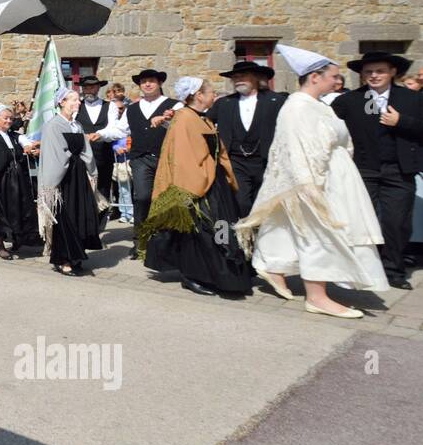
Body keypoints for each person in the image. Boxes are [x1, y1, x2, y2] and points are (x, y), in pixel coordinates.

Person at [237, 46, 388, 318]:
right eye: (333, 76)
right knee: (319, 233)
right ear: (315, 77)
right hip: (316, 181)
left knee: (302, 230)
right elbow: (298, 151)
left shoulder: (317, 105)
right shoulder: (297, 107)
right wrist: (312, 186)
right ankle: (317, 296)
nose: (337, 81)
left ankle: (274, 266)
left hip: (334, 177)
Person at [139, 77, 252, 297]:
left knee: (220, 228)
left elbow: (216, 151)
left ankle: (225, 273)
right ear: (198, 95)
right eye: (211, 92)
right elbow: (183, 159)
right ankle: (194, 275)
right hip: (196, 184)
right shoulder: (184, 120)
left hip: (213, 183)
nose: (214, 95)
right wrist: (196, 188)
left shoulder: (202, 118)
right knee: (201, 232)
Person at [331, 51, 423, 290]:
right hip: (363, 169)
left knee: (396, 222)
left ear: (393, 72)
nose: (373, 76)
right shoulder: (348, 101)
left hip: (399, 170)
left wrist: (401, 121)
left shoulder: (412, 99)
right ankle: (362, 267)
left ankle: (393, 269)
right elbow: (328, 128)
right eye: (369, 72)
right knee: (361, 220)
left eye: (380, 71)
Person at [98, 69, 179, 259]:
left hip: (166, 159)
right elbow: (119, 130)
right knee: (142, 197)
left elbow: (184, 128)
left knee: (166, 200)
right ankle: (140, 241)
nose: (147, 84)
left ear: (159, 83)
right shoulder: (132, 109)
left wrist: (170, 119)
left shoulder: (175, 106)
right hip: (140, 159)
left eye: (151, 81)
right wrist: (100, 135)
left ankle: (165, 243)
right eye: (144, 82)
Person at [207, 60, 287, 216]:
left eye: (243, 76)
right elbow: (203, 123)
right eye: (235, 77)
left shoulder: (276, 101)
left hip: (266, 161)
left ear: (256, 78)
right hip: (236, 161)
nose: (238, 80)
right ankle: (244, 235)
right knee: (241, 201)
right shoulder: (225, 103)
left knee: (264, 203)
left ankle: (260, 237)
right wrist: (174, 118)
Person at [37, 88, 103, 275]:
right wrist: (52, 183)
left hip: (78, 176)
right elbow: (55, 155)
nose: (78, 102)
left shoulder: (77, 125)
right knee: (64, 217)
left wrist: (91, 171)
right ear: (62, 102)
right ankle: (62, 259)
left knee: (78, 215)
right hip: (63, 179)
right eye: (73, 99)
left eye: (78, 99)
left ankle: (75, 255)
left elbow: (85, 150)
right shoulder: (53, 126)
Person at [0, 103, 39, 259]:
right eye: (6, 118)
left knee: (19, 209)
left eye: (11, 118)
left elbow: (18, 148)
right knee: (1, 213)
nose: (9, 121)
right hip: (2, 181)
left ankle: (19, 239)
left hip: (16, 180)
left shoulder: (11, 135)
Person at [77, 75, 118, 218]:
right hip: (81, 157)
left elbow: (114, 130)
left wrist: (99, 134)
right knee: (82, 192)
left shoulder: (110, 106)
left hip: (104, 156)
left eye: (92, 86)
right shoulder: (76, 106)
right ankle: (87, 228)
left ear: (98, 87)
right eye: (86, 87)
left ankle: (99, 227)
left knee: (103, 192)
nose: (89, 90)